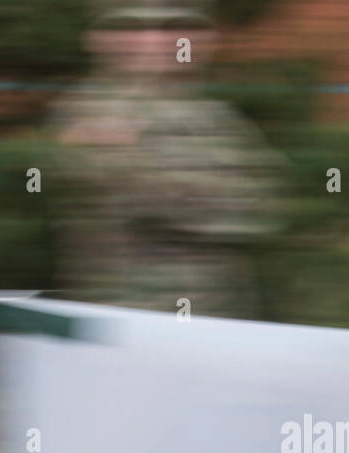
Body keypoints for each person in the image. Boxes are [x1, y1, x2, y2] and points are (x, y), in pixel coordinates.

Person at [50, 1, 284, 318]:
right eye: (132, 28)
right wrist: (211, 194)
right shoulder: (88, 111)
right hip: (131, 318)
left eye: (176, 27)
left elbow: (267, 209)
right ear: (97, 39)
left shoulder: (214, 115)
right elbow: (137, 196)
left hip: (217, 315)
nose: (154, 40)